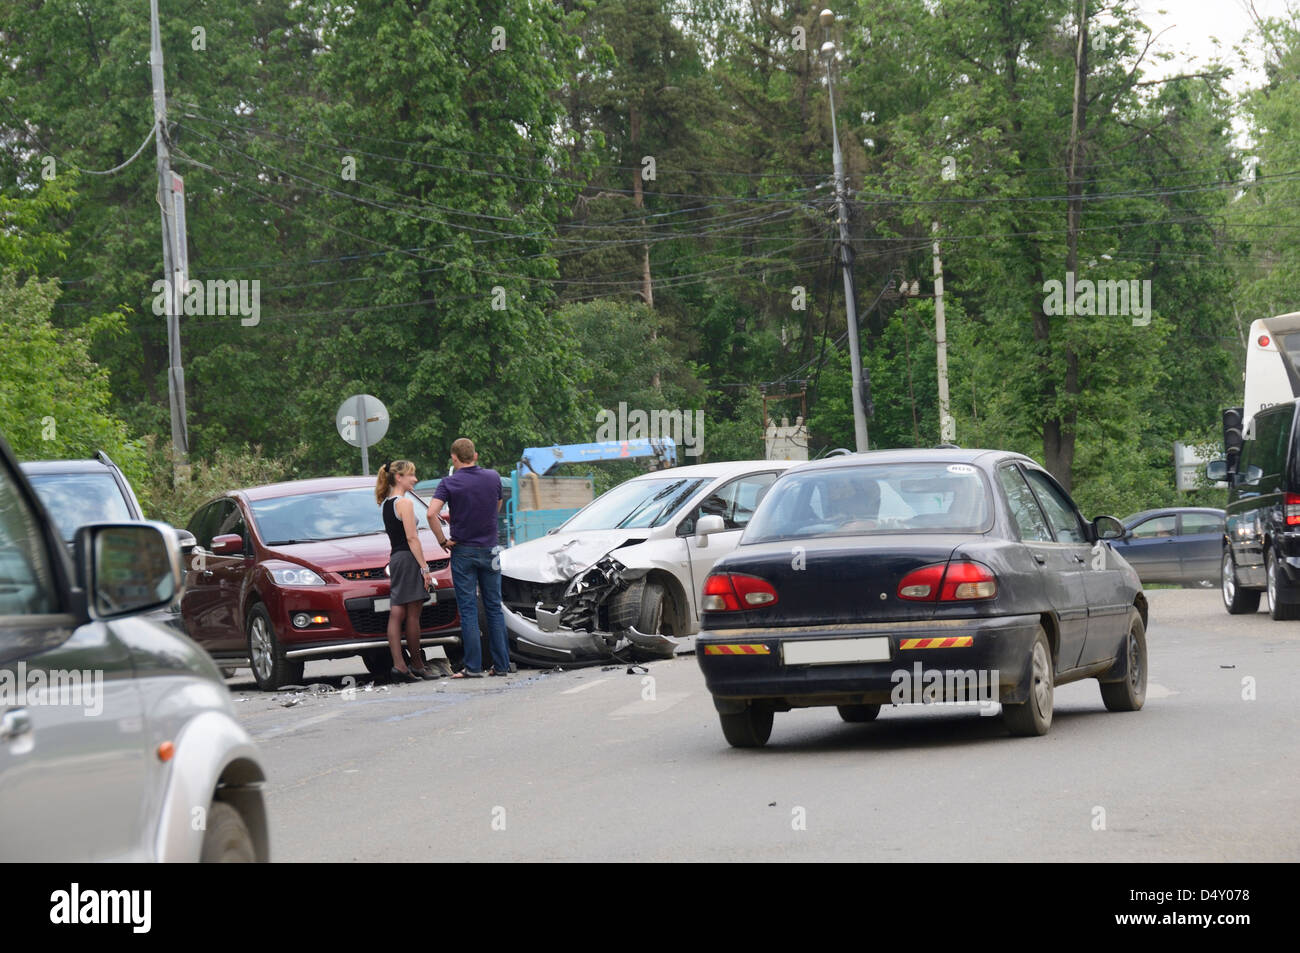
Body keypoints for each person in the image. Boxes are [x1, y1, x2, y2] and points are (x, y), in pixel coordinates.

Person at [427, 438, 510, 678]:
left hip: (463, 550)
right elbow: (498, 503)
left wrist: (442, 540)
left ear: (454, 458)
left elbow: (431, 513)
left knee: (468, 609)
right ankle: (502, 665)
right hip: (491, 549)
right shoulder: (493, 477)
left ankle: (473, 667)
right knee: (494, 606)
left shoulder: (449, 483)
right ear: (475, 455)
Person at [376, 460, 438, 682]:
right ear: (399, 478)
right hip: (408, 559)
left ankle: (400, 666)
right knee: (412, 614)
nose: (415, 479)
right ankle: (417, 665)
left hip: (396, 558)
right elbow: (412, 538)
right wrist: (425, 568)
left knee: (397, 612)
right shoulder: (405, 503)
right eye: (411, 475)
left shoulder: (387, 503)